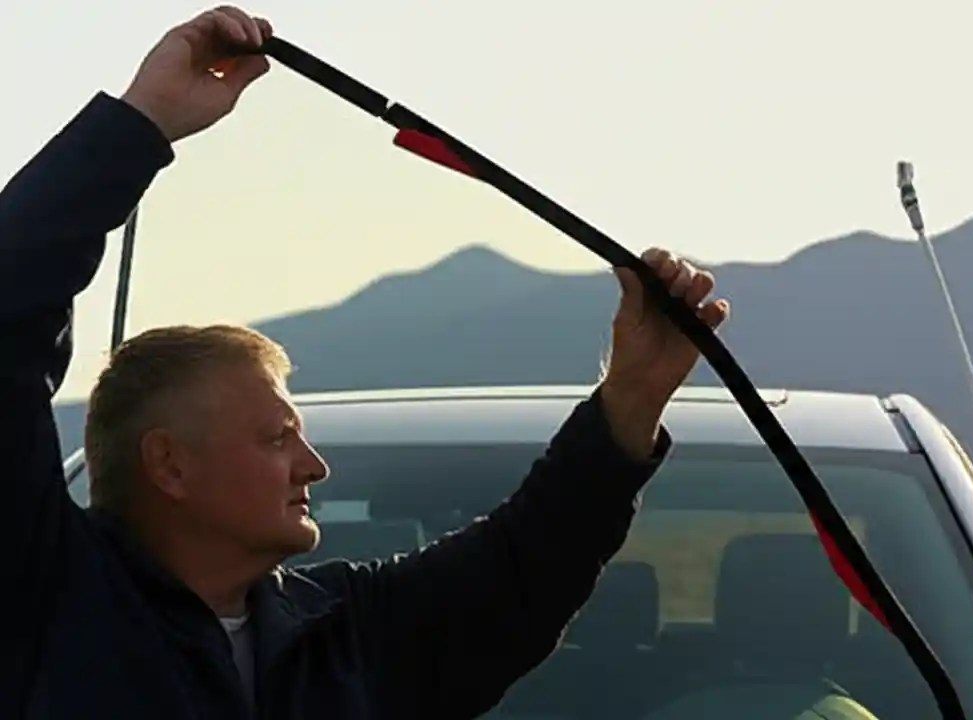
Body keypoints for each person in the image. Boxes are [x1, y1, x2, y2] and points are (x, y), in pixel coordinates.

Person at [0, 6, 729, 719]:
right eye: (276, 438)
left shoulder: (348, 636)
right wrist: (141, 122)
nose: (314, 466)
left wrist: (635, 394)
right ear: (170, 464)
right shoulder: (44, 597)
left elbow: (529, 560)